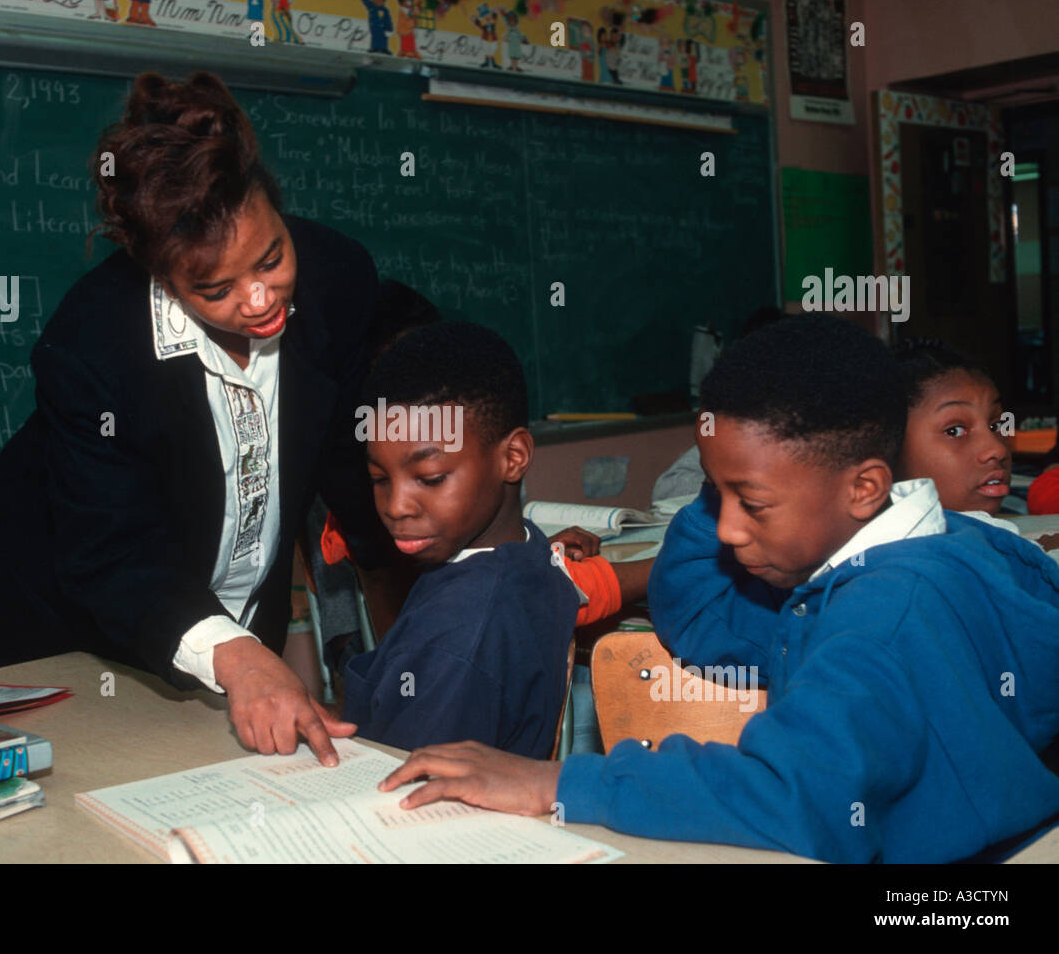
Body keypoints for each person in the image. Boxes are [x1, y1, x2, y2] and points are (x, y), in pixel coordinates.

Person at [380, 314, 1059, 863]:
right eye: (714, 492)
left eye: (751, 502)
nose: (726, 529)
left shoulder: (876, 619)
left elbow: (793, 796)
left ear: (864, 489)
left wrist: (553, 781)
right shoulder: (969, 546)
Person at [0, 72, 389, 766]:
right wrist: (233, 655)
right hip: (71, 644)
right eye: (214, 288)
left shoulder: (338, 279)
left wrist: (445, 569)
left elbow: (349, 458)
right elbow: (109, 555)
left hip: (239, 654)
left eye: (271, 257)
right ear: (161, 272)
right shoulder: (92, 346)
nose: (258, 299)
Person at [341, 323, 581, 758]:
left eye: (429, 479)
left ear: (513, 458)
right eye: (379, 478)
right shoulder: (530, 550)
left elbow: (402, 788)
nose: (396, 506)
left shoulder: (458, 636)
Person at [894, 338, 1059, 560]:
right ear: (886, 450)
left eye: (996, 425)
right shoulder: (907, 572)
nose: (998, 449)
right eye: (955, 431)